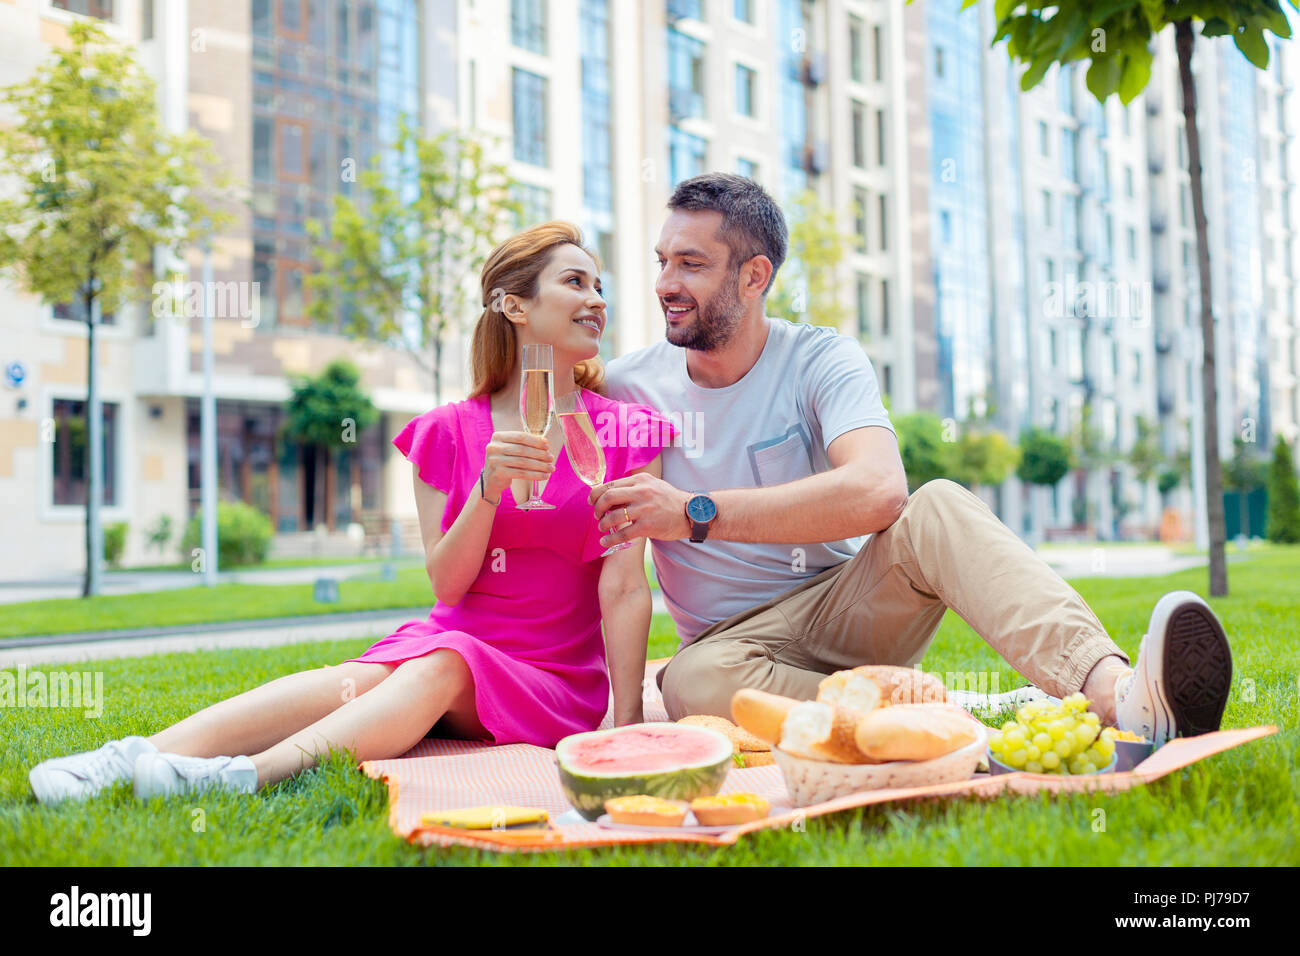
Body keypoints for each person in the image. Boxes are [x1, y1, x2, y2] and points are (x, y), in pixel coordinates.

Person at [28, 222, 673, 804]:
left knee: (445, 664)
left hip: (551, 678)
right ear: (515, 306)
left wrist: (624, 725)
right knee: (349, 679)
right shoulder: (447, 432)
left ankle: (244, 777)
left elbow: (622, 587)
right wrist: (488, 488)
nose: (598, 300)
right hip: (444, 646)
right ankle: (123, 759)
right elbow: (448, 586)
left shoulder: (626, 432)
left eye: (600, 285)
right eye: (575, 282)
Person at [590, 172, 1232, 745]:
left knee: (940, 505)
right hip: (733, 652)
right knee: (692, 681)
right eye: (663, 261)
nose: (665, 284)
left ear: (755, 276)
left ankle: (1118, 695)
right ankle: (940, 718)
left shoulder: (820, 358)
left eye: (691, 265)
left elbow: (878, 491)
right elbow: (612, 557)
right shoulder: (628, 386)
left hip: (847, 609)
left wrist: (695, 513)